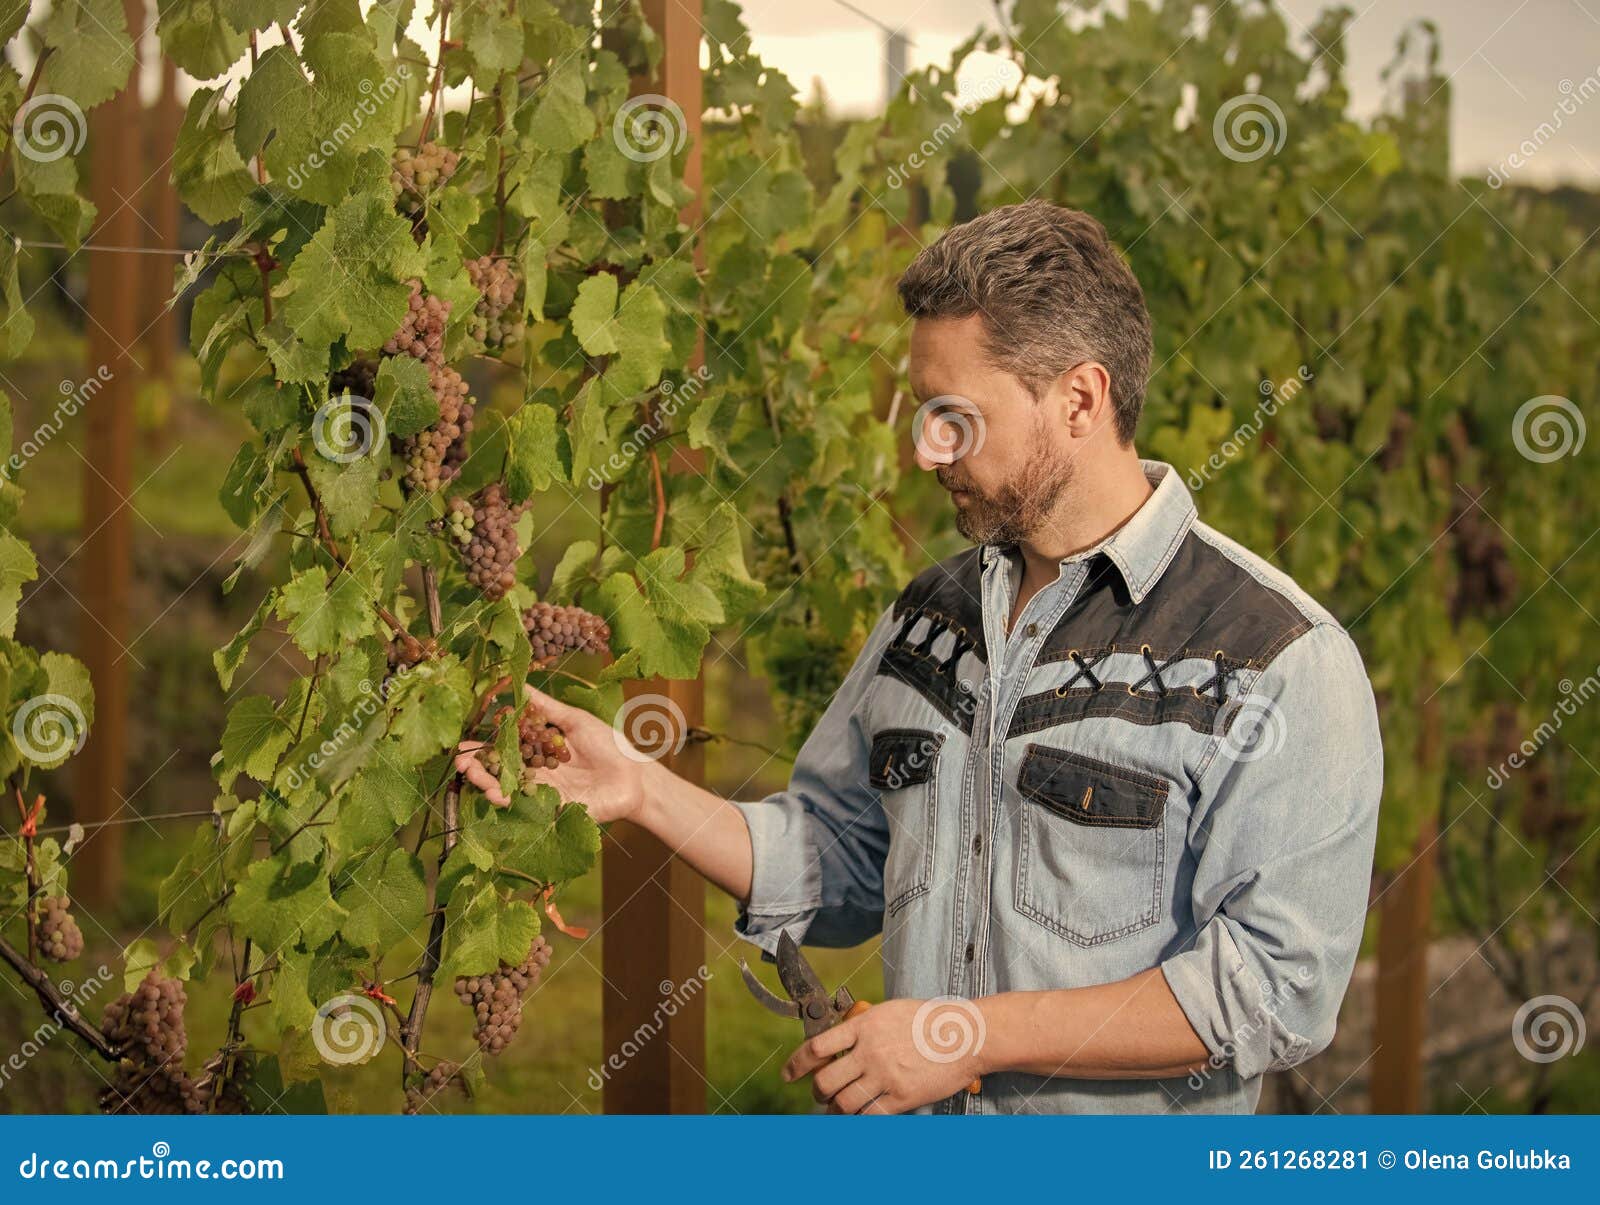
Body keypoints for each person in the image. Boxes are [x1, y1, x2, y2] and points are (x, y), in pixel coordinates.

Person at [466, 200, 1383, 1115]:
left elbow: (1273, 989)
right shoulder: (930, 617)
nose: (923, 451)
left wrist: (965, 1037)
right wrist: (638, 786)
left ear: (1080, 399)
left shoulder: (1274, 658)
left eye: (955, 417)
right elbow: (844, 853)